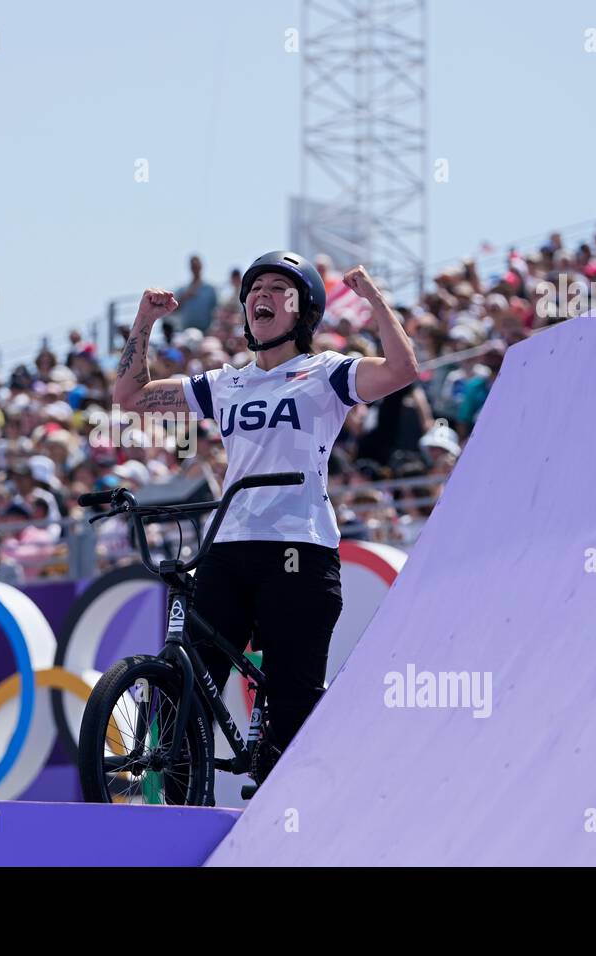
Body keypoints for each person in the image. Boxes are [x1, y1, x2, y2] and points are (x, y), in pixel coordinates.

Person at [112, 250, 418, 787]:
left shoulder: (326, 373)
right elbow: (130, 397)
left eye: (278, 288)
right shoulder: (226, 383)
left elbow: (402, 370)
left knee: (292, 705)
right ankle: (176, 807)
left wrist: (372, 299)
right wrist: (144, 321)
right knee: (188, 691)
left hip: (300, 546)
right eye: (255, 289)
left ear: (302, 310)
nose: (262, 296)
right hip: (227, 546)